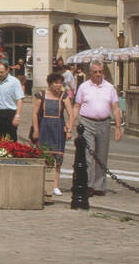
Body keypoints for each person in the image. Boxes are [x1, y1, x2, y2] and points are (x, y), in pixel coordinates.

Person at [68, 60, 122, 196]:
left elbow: (115, 108)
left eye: (100, 72)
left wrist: (118, 127)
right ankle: (88, 185)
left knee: (102, 155)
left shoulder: (109, 87)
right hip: (87, 123)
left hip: (104, 123)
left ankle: (99, 186)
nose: (98, 74)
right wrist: (70, 124)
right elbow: (76, 106)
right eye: (95, 72)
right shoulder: (84, 87)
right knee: (88, 155)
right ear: (90, 73)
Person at [31, 71, 70, 196]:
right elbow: (35, 114)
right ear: (50, 84)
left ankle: (55, 185)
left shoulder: (64, 96)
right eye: (56, 83)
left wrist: (69, 128)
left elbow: (71, 114)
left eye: (60, 83)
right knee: (43, 156)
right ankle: (41, 183)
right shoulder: (41, 95)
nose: (58, 86)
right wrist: (36, 130)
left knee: (57, 158)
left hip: (58, 127)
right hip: (44, 127)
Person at [0, 61, 24, 142]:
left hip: (10, 113)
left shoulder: (14, 82)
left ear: (8, 70)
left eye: (1, 72)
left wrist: (17, 116)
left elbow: (20, 99)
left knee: (10, 139)